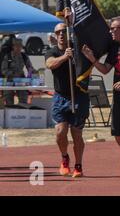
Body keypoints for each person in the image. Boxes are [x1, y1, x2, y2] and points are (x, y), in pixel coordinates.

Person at [82, 16, 120, 177]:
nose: (111, 32)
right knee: (118, 134)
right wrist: (92, 59)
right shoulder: (114, 48)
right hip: (119, 96)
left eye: (113, 28)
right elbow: (105, 69)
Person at [45, 23, 90, 178]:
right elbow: (50, 64)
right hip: (61, 97)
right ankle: (65, 157)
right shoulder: (52, 51)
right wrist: (65, 56)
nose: (62, 34)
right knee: (60, 132)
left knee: (76, 133)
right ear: (55, 35)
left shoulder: (78, 49)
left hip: (79, 96)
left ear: (69, 32)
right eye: (58, 32)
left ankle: (78, 165)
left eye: (64, 31)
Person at [1, 38, 35, 105]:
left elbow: (30, 68)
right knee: (8, 101)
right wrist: (13, 73)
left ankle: (21, 113)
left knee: (23, 99)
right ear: (13, 46)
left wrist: (35, 72)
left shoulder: (24, 56)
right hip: (9, 81)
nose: (19, 47)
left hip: (20, 80)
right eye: (17, 46)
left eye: (20, 46)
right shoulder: (8, 56)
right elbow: (3, 70)